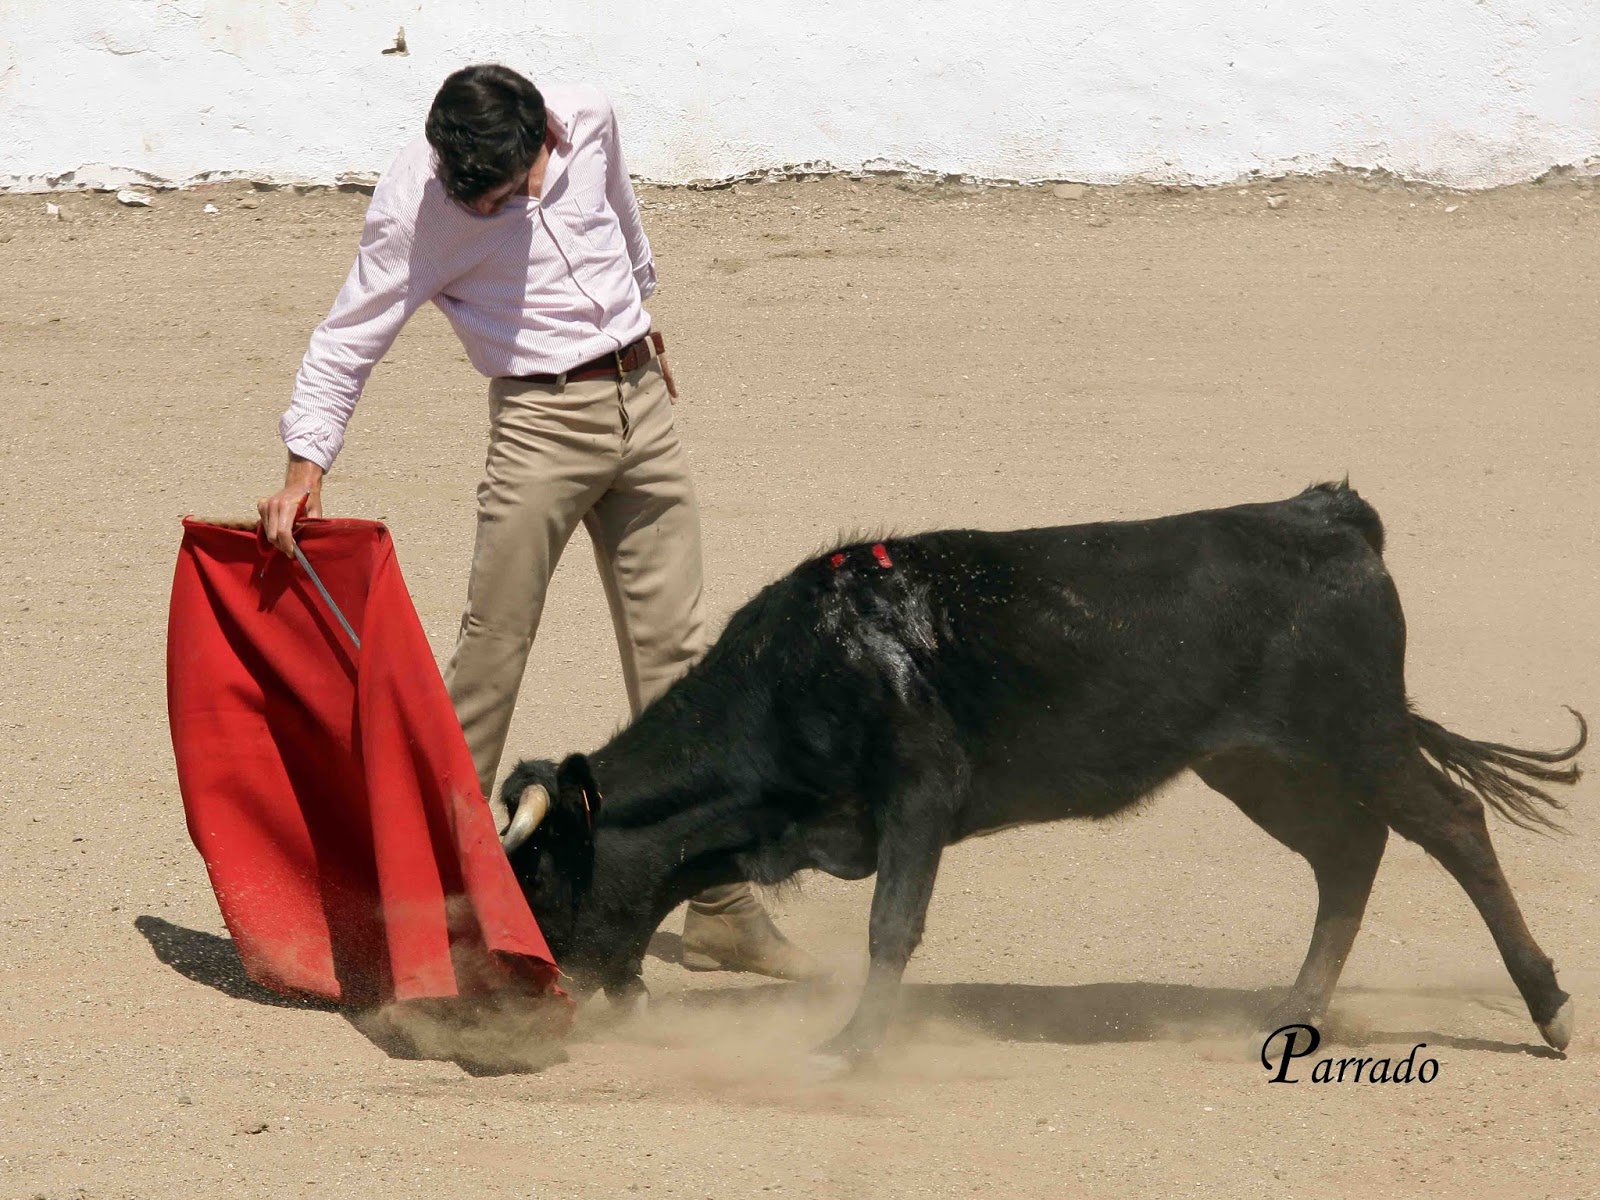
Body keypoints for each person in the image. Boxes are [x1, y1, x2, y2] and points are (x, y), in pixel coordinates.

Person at [257, 63, 820, 982]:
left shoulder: (589, 116)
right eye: (464, 194)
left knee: (679, 664)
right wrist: (301, 471)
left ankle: (719, 907)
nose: (476, 208)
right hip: (540, 424)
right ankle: (429, 902)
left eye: (496, 194)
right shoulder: (419, 203)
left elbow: (622, 220)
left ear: (544, 142)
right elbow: (347, 337)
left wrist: (641, 312)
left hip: (644, 401)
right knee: (491, 653)